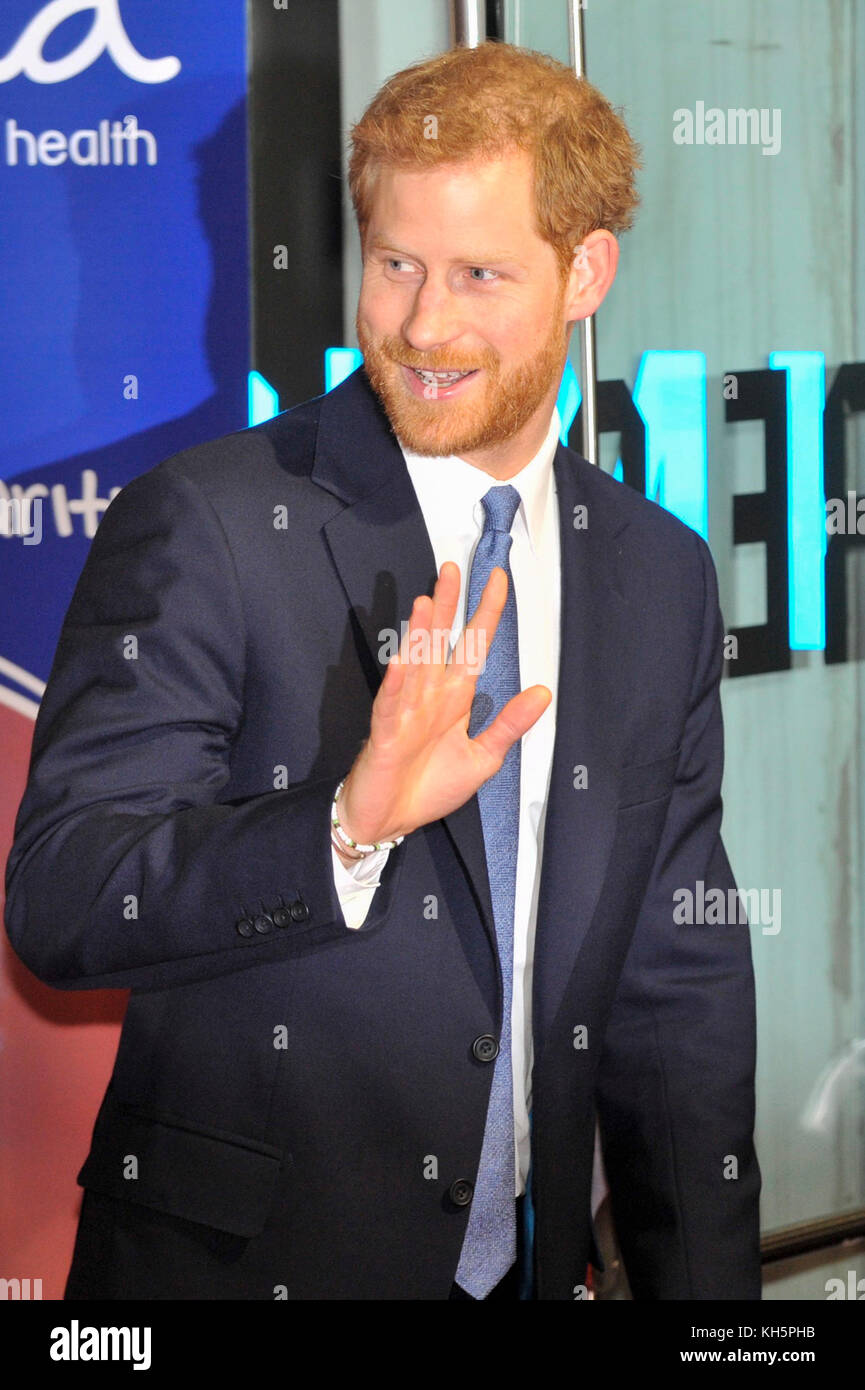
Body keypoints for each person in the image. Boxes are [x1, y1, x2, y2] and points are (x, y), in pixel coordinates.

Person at [4, 42, 761, 1300]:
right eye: (396, 263)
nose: (422, 324)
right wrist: (345, 827)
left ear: (586, 272)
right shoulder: (212, 522)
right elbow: (65, 899)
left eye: (478, 273)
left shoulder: (655, 572)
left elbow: (673, 994)